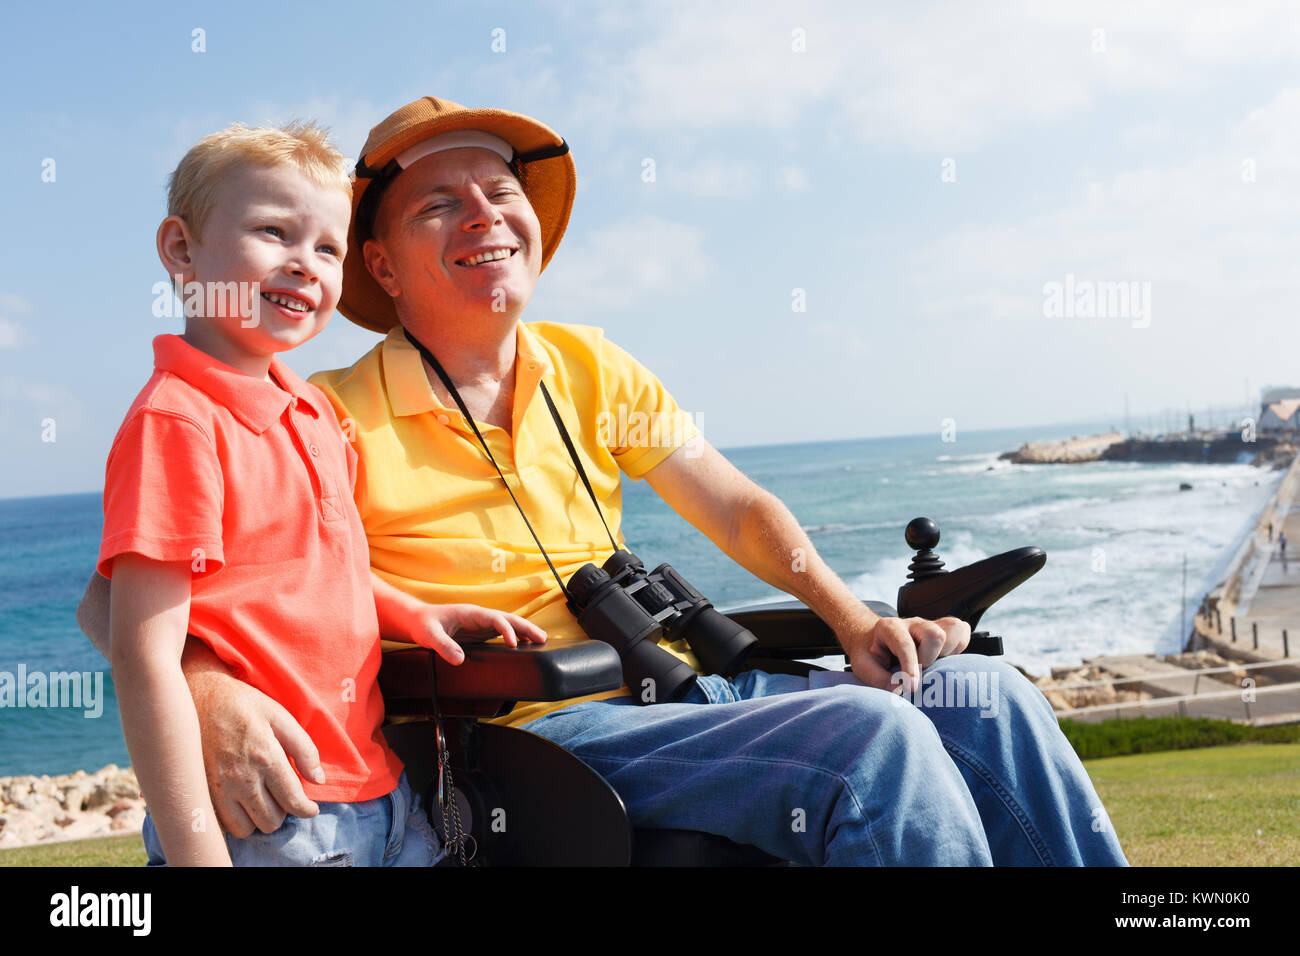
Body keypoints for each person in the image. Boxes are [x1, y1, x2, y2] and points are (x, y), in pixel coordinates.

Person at [84, 97, 1128, 866]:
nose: (484, 213)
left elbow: (734, 506)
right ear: (385, 270)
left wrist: (848, 614)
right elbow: (138, 590)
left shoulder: (587, 364)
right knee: (871, 737)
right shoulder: (326, 407)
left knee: (977, 692)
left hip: (679, 687)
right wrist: (209, 688)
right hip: (535, 730)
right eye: (436, 205)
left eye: (498, 191)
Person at [94, 120, 543, 866]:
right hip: (270, 817)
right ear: (181, 251)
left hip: (380, 793)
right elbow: (145, 658)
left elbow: (314, 566)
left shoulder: (313, 412)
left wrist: (411, 610)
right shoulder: (177, 421)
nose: (305, 264)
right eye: (274, 232)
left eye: (327, 248)